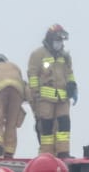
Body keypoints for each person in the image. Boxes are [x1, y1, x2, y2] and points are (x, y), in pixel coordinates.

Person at [27, 24, 77, 158]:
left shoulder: (65, 56)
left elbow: (69, 73)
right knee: (46, 129)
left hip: (63, 99)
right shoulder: (38, 55)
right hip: (45, 100)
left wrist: (73, 84)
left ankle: (63, 153)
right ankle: (46, 155)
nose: (59, 44)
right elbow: (33, 76)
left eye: (61, 41)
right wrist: (35, 96)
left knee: (64, 125)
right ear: (50, 40)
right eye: (57, 41)